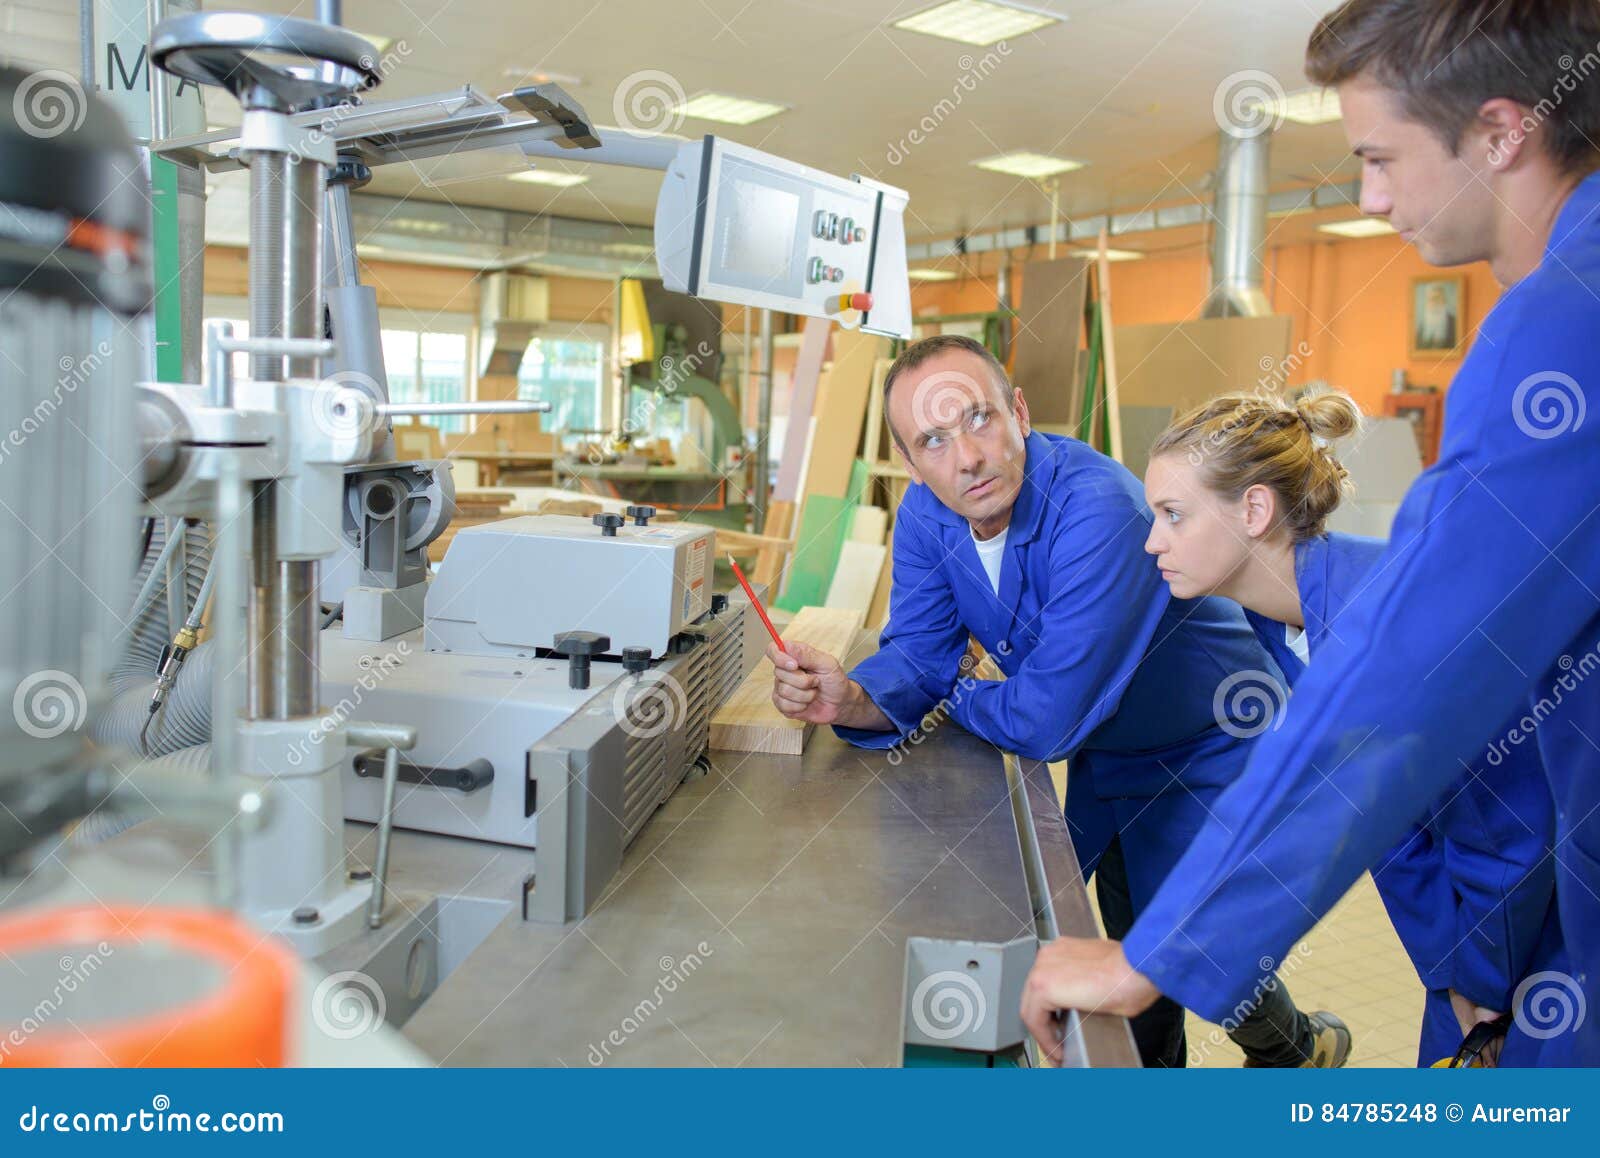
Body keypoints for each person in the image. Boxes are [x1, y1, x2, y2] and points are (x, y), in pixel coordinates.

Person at [1021, 0, 1600, 1068]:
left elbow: (1402, 682)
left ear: (1503, 131)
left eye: (1379, 158)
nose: (1369, 197)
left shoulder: (1563, 320)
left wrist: (1159, 953)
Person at [767, 333, 1349, 1066]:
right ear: (911, 466)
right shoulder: (927, 517)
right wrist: (850, 697)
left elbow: (1043, 720)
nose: (968, 457)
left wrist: (952, 687)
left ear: (1019, 411)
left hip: (1211, 735)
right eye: (934, 441)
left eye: (979, 419)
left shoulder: (1095, 507)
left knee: (1182, 929)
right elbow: (917, 652)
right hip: (1112, 741)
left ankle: (1292, 1051)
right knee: (1128, 919)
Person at [1138, 386, 1556, 1064]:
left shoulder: (1388, 621)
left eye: (1173, 515)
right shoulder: (1285, 618)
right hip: (1478, 941)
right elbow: (1390, 827)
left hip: (1538, 925)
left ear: (1253, 509)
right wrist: (1448, 971)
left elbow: (1503, 828)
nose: (1153, 539)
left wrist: (1483, 981)